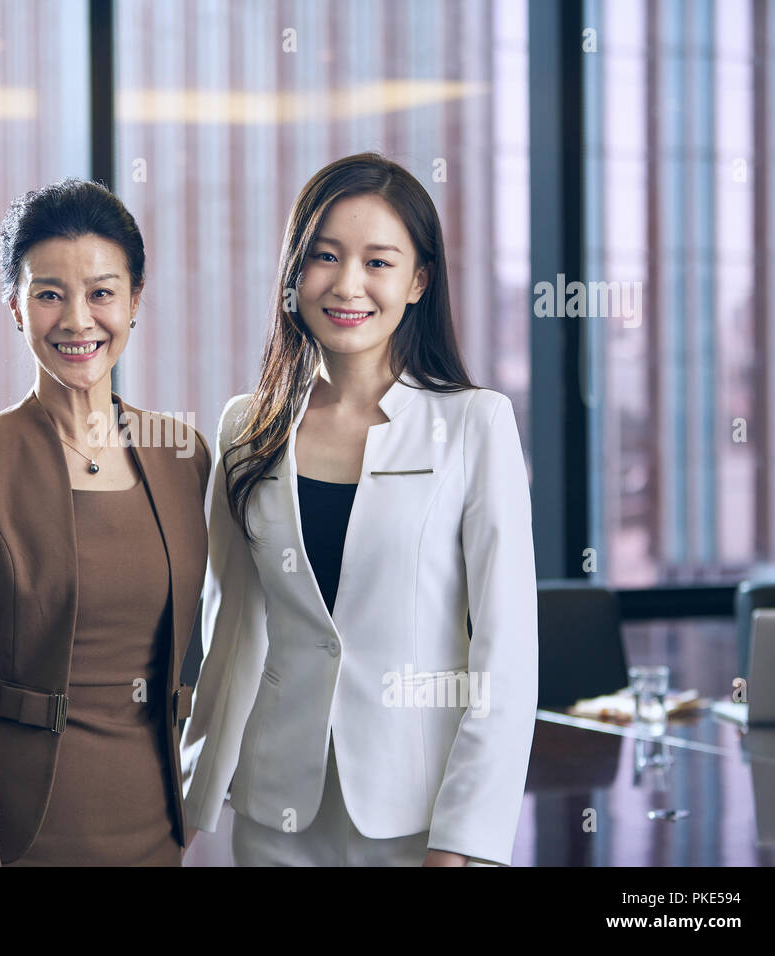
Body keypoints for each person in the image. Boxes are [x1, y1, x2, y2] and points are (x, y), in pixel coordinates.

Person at [180, 153, 538, 867]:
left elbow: (507, 656)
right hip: (274, 809)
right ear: (294, 273)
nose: (347, 284)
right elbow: (232, 630)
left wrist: (462, 840)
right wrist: (193, 794)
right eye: (324, 256)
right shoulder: (245, 427)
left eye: (379, 262)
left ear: (418, 281)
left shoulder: (475, 425)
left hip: (417, 820)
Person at [0, 178, 210, 865]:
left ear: (135, 301)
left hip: (156, 821)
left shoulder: (182, 454)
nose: (77, 320)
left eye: (101, 292)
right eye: (48, 294)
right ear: (14, 306)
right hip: (18, 828)